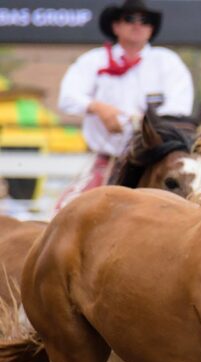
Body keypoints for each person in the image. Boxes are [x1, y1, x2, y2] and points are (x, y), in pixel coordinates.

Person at [55, 0, 193, 209]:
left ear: (151, 28)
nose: (137, 25)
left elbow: (179, 108)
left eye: (145, 21)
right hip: (108, 159)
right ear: (116, 26)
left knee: (192, 204)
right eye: (129, 19)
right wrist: (98, 108)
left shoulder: (167, 62)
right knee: (67, 211)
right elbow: (68, 97)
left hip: (153, 161)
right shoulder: (93, 60)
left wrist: (143, 126)